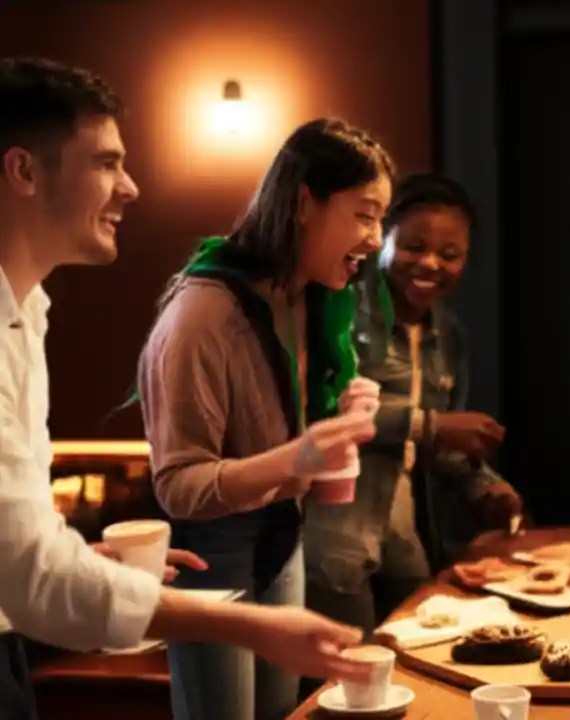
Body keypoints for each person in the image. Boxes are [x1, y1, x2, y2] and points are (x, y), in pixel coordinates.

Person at [0, 57, 372, 720]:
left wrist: (79, 555)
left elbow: (23, 560)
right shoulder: (204, 306)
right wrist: (245, 624)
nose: (132, 188)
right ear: (23, 170)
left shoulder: (29, 311)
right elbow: (34, 574)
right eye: (107, 163)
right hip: (213, 558)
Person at [137, 117, 392, 720]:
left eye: (380, 217)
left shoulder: (310, 299)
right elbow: (178, 488)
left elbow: (293, 434)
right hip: (210, 550)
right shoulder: (203, 312)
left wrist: (341, 412)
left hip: (282, 531)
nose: (376, 237)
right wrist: (299, 456)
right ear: (305, 202)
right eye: (363, 213)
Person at [305, 172, 520, 634]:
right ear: (383, 239)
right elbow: (323, 411)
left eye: (450, 254)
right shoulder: (339, 310)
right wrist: (432, 424)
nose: (430, 264)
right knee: (347, 682)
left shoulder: (450, 334)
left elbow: (443, 446)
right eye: (413, 246)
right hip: (334, 539)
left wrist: (485, 487)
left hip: (406, 538)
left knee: (415, 664)